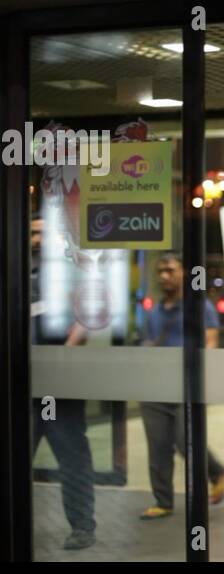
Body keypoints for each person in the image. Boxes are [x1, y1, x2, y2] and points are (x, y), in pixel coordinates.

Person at [138, 252, 224, 519]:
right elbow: (147, 343)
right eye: (161, 271)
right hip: (155, 386)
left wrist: (198, 376)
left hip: (185, 386)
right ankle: (163, 501)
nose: (165, 276)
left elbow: (211, 342)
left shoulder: (199, 307)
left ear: (183, 273)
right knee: (158, 446)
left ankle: (216, 471)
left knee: (183, 439)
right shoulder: (153, 311)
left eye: (170, 270)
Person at [31, 216, 97, 550]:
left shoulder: (69, 274)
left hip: (61, 390)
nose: (37, 239)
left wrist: (62, 362)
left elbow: (85, 321)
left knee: (72, 459)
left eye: (43, 233)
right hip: (25, 388)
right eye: (33, 233)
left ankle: (83, 527)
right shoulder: (20, 275)